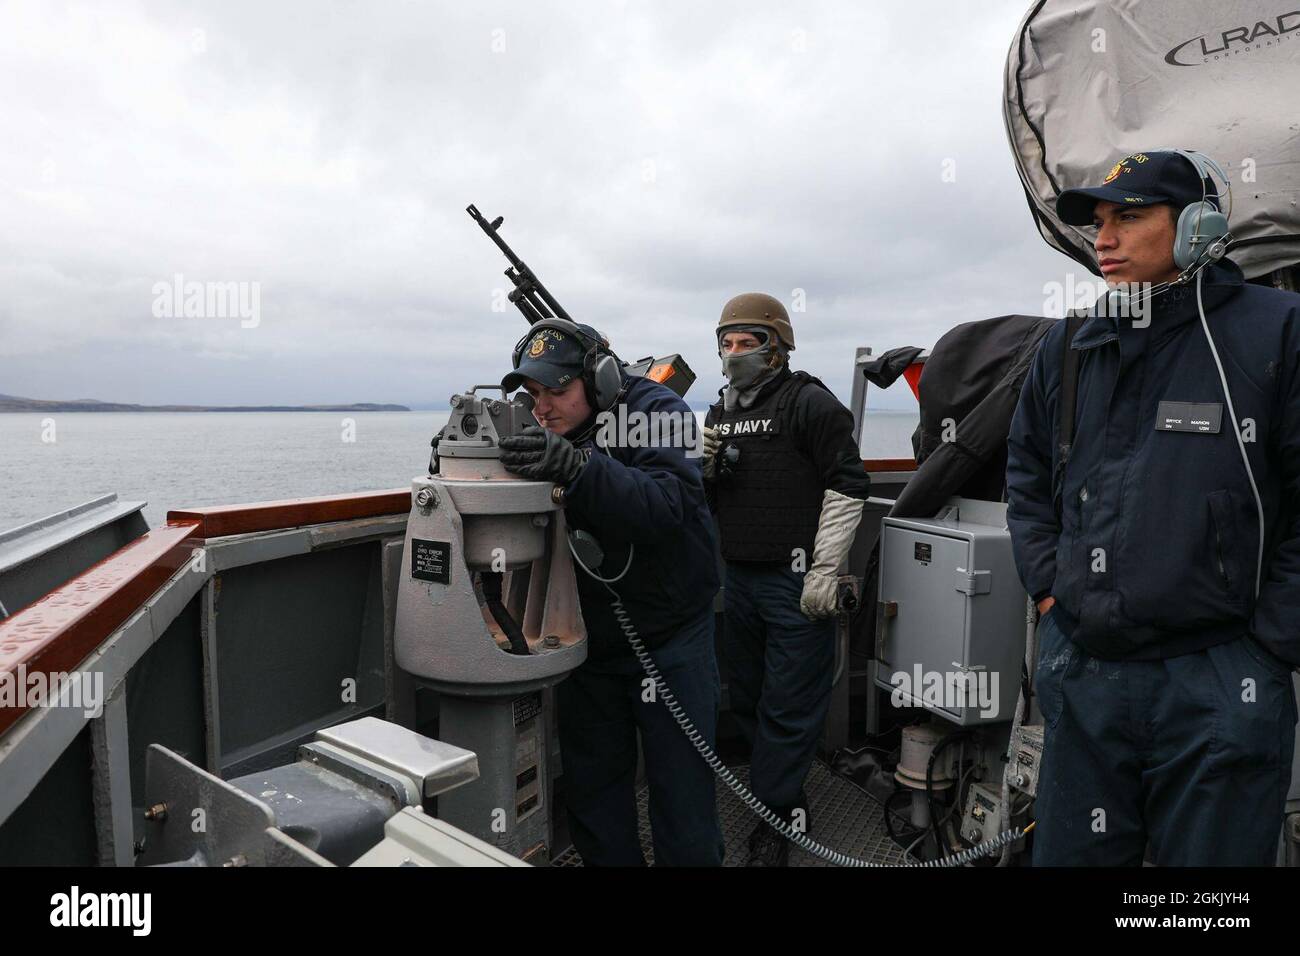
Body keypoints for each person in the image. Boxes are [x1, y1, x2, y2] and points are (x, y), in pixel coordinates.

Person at [1007, 149, 1300, 865]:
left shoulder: (1280, 331)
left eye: (1128, 217)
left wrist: (1266, 644)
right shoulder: (1071, 344)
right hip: (1085, 673)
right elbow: (1027, 471)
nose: (1102, 238)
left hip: (1219, 677)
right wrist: (1052, 594)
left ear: (1199, 227)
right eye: (1099, 222)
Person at [496, 319, 725, 866]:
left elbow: (666, 506)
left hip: (671, 637)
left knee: (683, 796)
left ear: (598, 381)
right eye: (533, 395)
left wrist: (578, 469)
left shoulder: (659, 413)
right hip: (588, 641)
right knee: (594, 795)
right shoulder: (550, 431)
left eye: (557, 391)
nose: (543, 408)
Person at [701, 292, 872, 866]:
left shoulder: (811, 405)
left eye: (746, 342)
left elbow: (848, 484)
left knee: (788, 702)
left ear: (776, 348)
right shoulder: (719, 411)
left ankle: (778, 815)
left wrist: (827, 568)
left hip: (795, 583)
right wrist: (701, 468)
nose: (733, 353)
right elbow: (711, 497)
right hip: (739, 579)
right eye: (726, 343)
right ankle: (778, 782)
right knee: (746, 693)